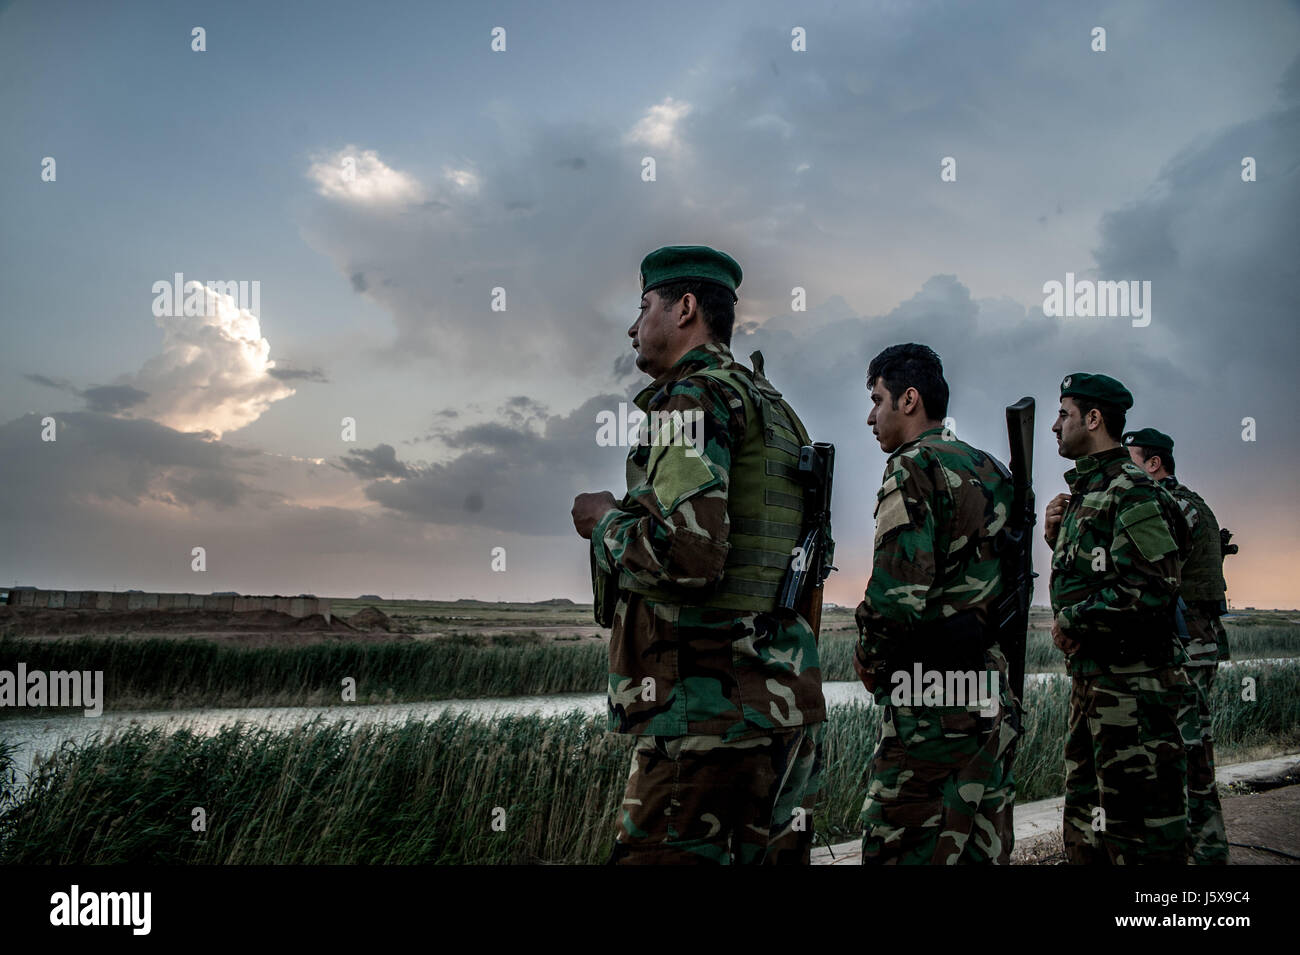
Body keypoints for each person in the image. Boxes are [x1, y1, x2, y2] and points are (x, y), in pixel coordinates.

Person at [571, 245, 827, 864]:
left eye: (643, 307)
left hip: (709, 717)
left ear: (685, 309)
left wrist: (604, 522)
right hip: (781, 704)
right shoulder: (776, 410)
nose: (633, 327)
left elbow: (689, 555)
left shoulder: (693, 400)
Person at [852, 343, 1020, 864]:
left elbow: (897, 597)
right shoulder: (989, 467)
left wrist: (870, 659)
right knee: (978, 845)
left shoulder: (913, 465)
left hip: (930, 698)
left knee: (901, 844)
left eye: (876, 399)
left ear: (909, 400)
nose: (869, 416)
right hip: (991, 688)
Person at [1043, 374, 1197, 864]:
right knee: (1088, 822)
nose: (1054, 426)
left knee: (1141, 830)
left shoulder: (1130, 490)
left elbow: (1153, 586)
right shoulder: (1090, 491)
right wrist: (1055, 539)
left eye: (1064, 414)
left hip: (1135, 690)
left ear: (1093, 419)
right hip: (1095, 683)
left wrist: (1073, 622)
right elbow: (1100, 572)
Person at [1124, 426, 1230, 865]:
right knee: (1192, 748)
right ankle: (1203, 848)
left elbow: (1154, 571)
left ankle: (1203, 851)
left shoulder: (1169, 505)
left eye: (1130, 460)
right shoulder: (1194, 502)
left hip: (1189, 644)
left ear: (1154, 463)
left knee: (1185, 754)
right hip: (1201, 639)